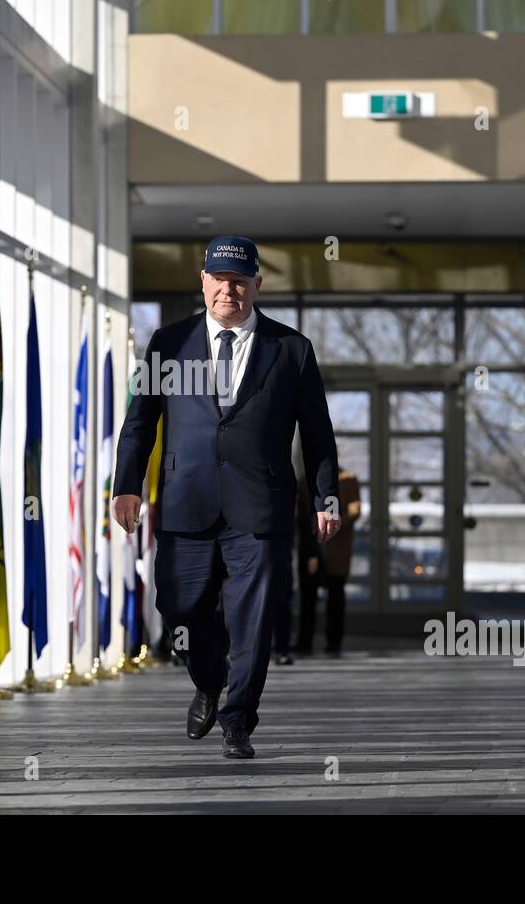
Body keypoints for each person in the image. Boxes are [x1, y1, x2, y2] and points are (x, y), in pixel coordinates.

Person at [111, 236, 340, 759]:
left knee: (253, 618)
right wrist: (126, 485)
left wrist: (325, 497)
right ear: (203, 281)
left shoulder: (291, 349)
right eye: (218, 278)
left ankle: (238, 721)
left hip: (259, 505)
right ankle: (210, 682)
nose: (227, 289)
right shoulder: (168, 344)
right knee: (179, 605)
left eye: (239, 280)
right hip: (184, 500)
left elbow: (318, 433)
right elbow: (139, 423)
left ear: (257, 284)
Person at [296, 467, 361, 656]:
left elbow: (354, 510)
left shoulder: (348, 480)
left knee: (336, 597)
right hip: (313, 548)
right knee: (308, 596)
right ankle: (305, 641)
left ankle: (333, 642)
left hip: (336, 549)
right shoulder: (305, 481)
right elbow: (301, 513)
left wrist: (335, 524)